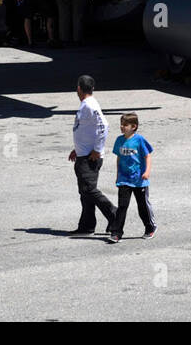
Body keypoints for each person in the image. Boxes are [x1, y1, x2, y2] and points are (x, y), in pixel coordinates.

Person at [67, 75, 117, 235]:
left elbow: (103, 126)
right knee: (85, 192)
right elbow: (86, 129)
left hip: (90, 157)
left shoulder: (89, 105)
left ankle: (114, 214)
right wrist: (77, 148)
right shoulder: (87, 104)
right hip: (84, 154)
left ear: (79, 89)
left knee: (88, 190)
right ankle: (87, 226)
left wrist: (96, 149)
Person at [109, 113, 156, 242]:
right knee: (122, 206)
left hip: (139, 180)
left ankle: (150, 227)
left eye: (125, 125)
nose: (122, 127)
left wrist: (147, 171)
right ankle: (117, 233)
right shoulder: (119, 140)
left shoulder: (139, 140)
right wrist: (118, 175)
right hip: (124, 179)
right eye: (121, 124)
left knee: (142, 207)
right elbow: (119, 158)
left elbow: (148, 156)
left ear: (134, 126)